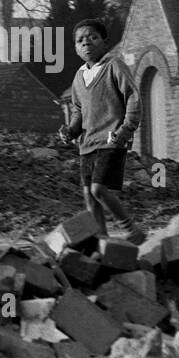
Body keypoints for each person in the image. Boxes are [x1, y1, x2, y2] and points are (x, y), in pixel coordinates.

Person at [59, 18, 145, 244]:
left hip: (112, 140)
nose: (86, 43)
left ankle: (131, 228)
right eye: (80, 40)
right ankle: (102, 240)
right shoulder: (79, 77)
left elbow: (132, 98)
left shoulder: (114, 66)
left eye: (92, 37)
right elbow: (78, 111)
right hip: (87, 144)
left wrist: (126, 130)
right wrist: (70, 131)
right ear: (76, 49)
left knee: (99, 189)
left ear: (104, 43)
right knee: (89, 197)